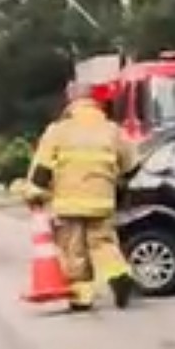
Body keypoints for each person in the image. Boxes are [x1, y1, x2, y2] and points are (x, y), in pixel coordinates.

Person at [22, 81, 139, 312]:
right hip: (102, 200)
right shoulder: (111, 129)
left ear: (71, 100)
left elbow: (42, 169)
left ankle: (82, 297)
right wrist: (119, 183)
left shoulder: (59, 130)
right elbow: (132, 164)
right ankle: (120, 275)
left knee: (73, 249)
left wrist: (35, 194)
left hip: (69, 202)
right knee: (104, 243)